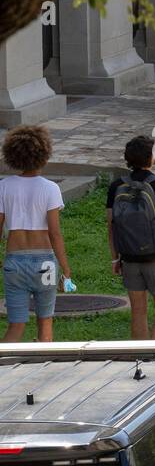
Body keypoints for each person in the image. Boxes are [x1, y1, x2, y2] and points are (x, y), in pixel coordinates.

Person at [101, 135, 155, 340]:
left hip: (129, 257)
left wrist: (115, 258)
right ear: (150, 157)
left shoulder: (116, 187)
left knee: (138, 312)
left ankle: (139, 360)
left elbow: (111, 226)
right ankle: (154, 360)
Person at [0, 127, 72, 343]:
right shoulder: (50, 188)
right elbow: (55, 233)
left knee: (16, 324)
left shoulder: (4, 186)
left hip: (15, 261)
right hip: (46, 263)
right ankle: (43, 370)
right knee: (45, 322)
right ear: (44, 155)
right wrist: (66, 269)